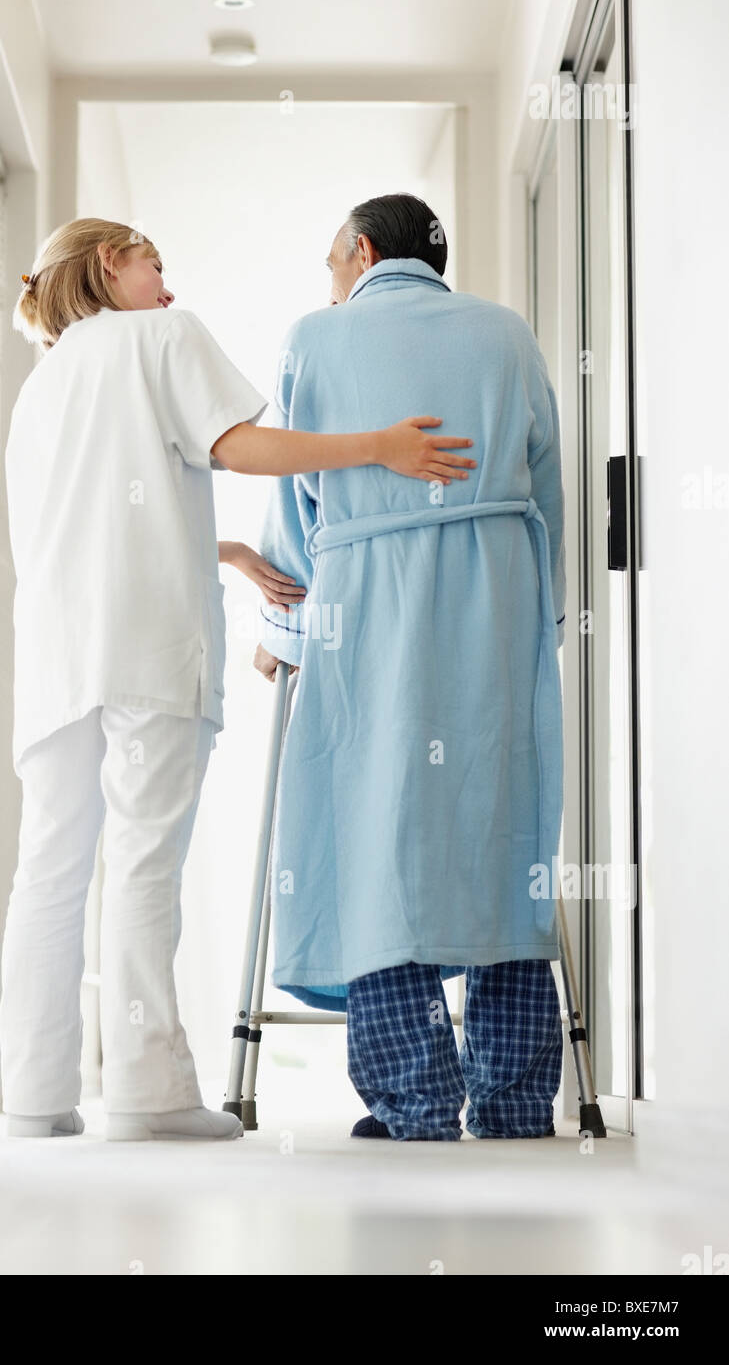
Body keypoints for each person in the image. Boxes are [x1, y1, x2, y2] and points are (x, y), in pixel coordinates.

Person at [0, 216, 475, 1142]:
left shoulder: (44, 380)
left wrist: (220, 549)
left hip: (58, 656)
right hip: (145, 650)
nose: (169, 288)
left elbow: (90, 515)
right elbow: (239, 447)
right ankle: (147, 1097)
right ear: (110, 262)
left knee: (47, 872)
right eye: (155, 264)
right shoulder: (160, 336)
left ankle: (34, 1098)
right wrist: (376, 444)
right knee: (142, 862)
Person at [255, 193, 566, 1142]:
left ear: (357, 251)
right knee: (503, 828)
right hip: (496, 589)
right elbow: (545, 477)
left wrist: (285, 636)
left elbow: (296, 497)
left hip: (364, 596)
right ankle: (512, 1100)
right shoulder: (507, 332)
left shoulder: (317, 336)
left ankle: (415, 1100)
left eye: (331, 260)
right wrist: (538, 614)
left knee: (373, 829)